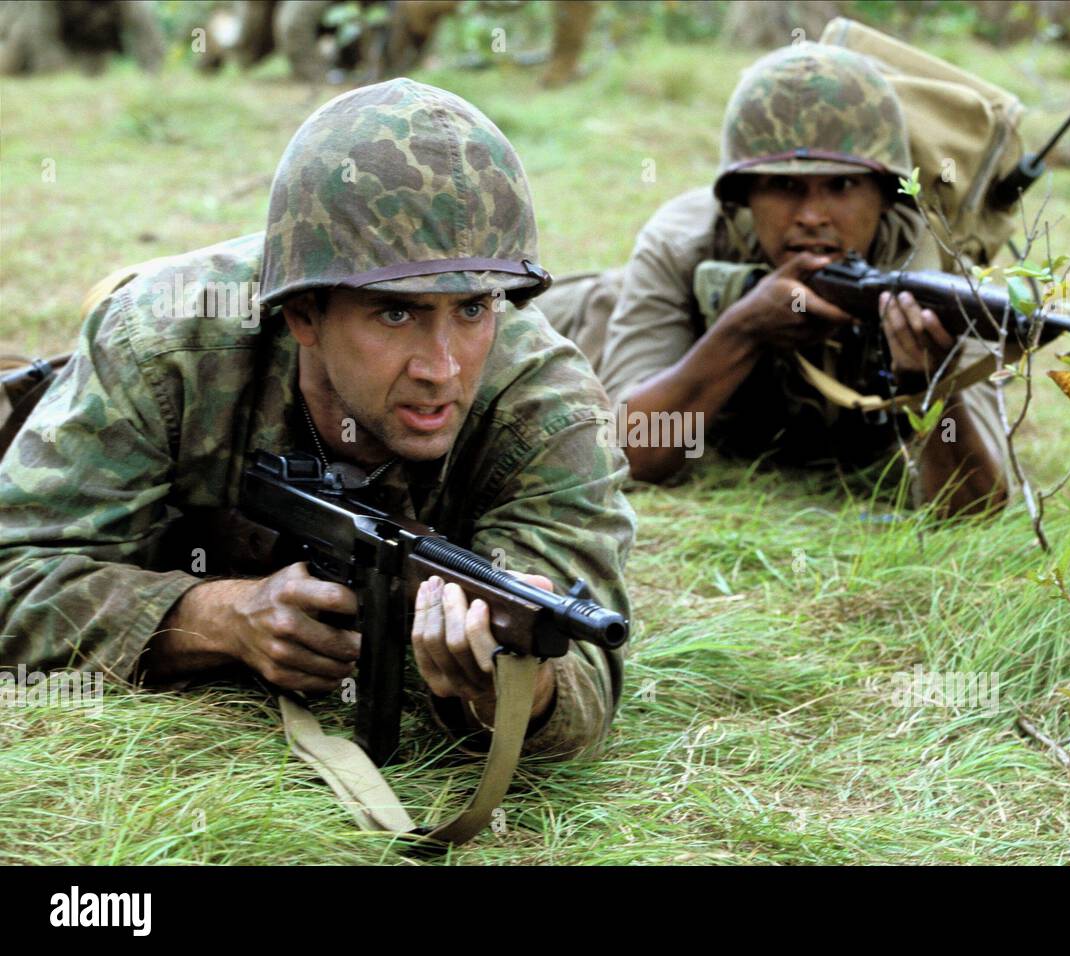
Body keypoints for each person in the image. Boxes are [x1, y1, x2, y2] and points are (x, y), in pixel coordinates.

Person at [0, 78, 634, 759]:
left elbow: (583, 686)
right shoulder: (163, 346)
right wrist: (214, 620)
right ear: (303, 313)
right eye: (397, 312)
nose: (442, 367)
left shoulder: (546, 409)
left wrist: (513, 691)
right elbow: (14, 576)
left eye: (473, 309)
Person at [538, 42, 1009, 515]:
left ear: (885, 195)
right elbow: (629, 458)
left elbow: (977, 508)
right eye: (784, 186)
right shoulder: (683, 246)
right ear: (745, 197)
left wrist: (932, 386)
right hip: (590, 320)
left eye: (841, 185)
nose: (811, 216)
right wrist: (742, 330)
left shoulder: (934, 277)